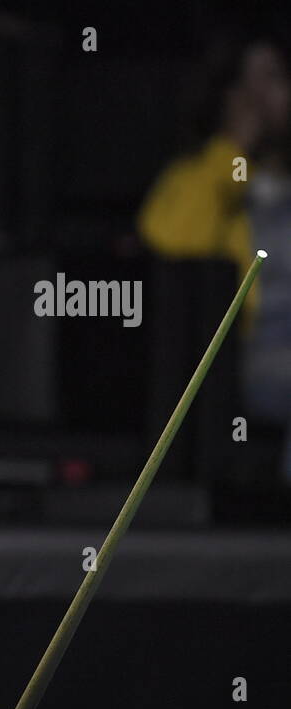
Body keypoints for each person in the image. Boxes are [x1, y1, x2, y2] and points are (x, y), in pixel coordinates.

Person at [138, 34, 291, 485]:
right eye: (246, 85)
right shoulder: (196, 178)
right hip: (248, 358)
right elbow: (174, 249)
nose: (260, 99)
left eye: (275, 79)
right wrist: (232, 156)